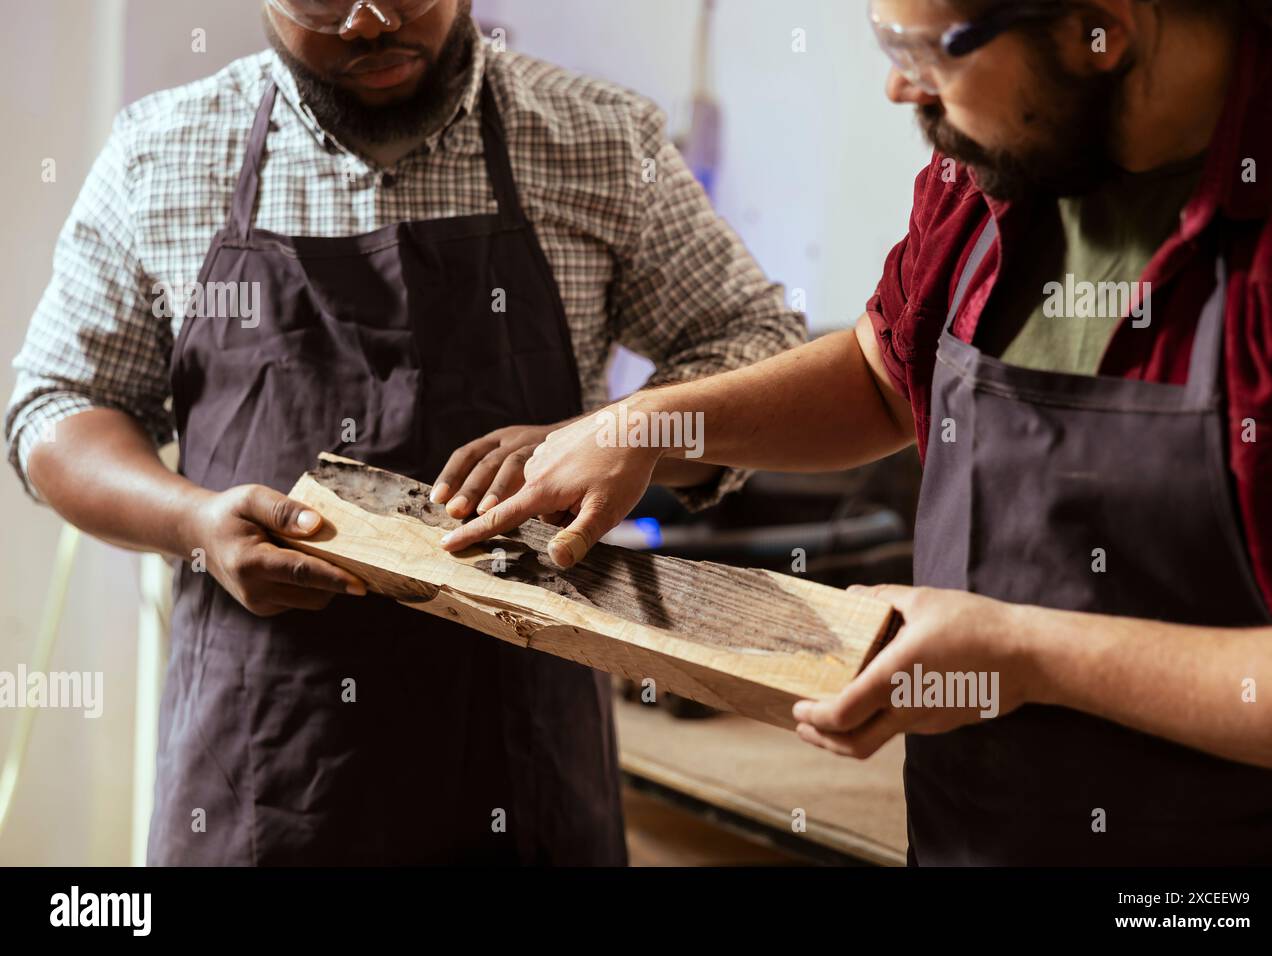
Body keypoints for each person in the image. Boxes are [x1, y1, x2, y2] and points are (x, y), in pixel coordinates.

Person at [443, 0, 1272, 865]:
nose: (898, 86)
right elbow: (884, 374)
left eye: (925, 51)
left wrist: (1029, 655)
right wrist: (652, 423)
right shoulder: (994, 166)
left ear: (1098, 30)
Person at [4, 0, 804, 865]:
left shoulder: (602, 141)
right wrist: (188, 523)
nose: (371, 23)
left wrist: (624, 430)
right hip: (262, 775)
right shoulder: (163, 153)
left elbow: (756, 342)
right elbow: (57, 406)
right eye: (326, 2)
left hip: (522, 764)